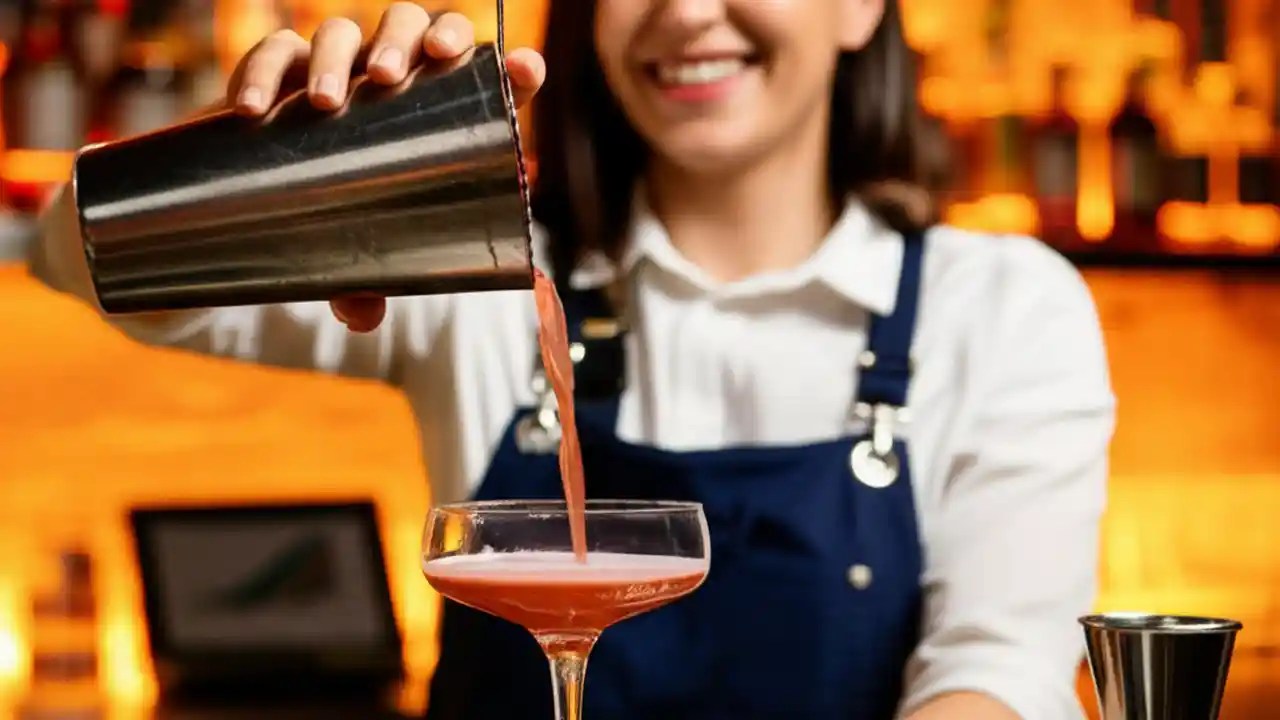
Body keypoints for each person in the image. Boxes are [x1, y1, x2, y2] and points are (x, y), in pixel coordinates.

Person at [29, 0, 1117, 717]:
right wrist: (272, 157)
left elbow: (1002, 672)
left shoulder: (1000, 309)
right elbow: (69, 257)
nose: (686, 11)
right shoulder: (473, 272)